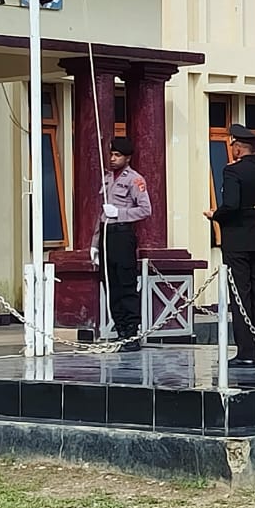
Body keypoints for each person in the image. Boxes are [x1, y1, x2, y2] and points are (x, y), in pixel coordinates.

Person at [205, 123, 255, 367]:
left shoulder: (233, 172)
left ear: (238, 149)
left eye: (234, 148)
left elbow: (231, 205)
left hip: (237, 239)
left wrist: (214, 215)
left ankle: (246, 352)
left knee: (240, 294)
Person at [89, 136, 152, 350]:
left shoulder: (135, 179)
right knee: (110, 284)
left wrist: (120, 213)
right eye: (112, 154)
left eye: (117, 155)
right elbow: (101, 214)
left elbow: (145, 210)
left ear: (127, 158)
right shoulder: (107, 179)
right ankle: (120, 329)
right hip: (107, 235)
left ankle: (131, 333)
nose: (113, 159)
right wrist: (94, 243)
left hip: (123, 235)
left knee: (125, 284)